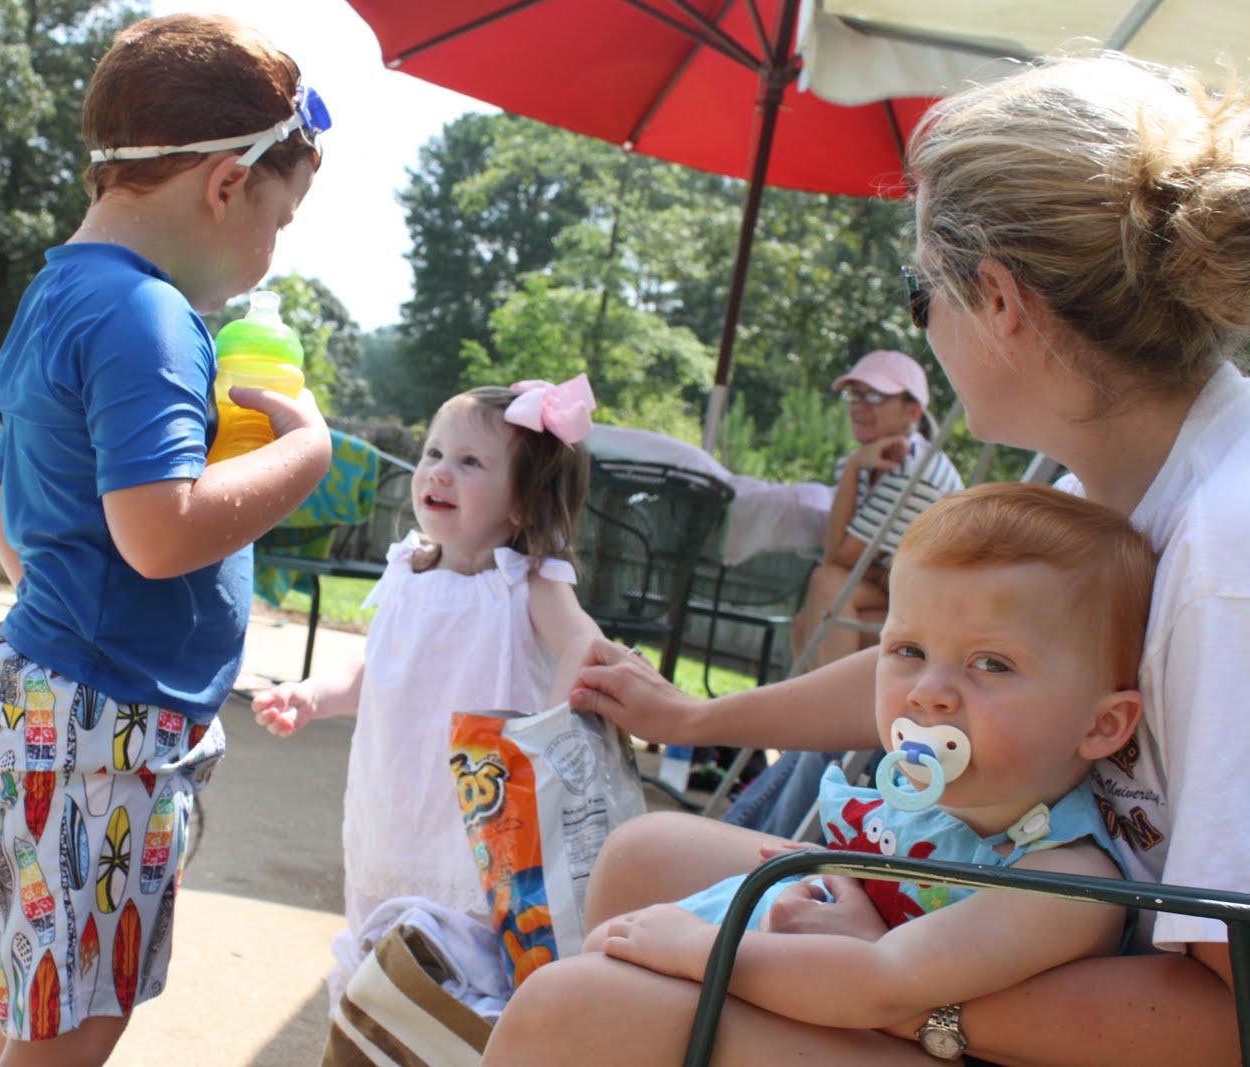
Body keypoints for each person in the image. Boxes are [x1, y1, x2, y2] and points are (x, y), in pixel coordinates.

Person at [484, 52, 1250, 1065]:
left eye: (915, 288)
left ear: (998, 301)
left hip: (1102, 1010)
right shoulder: (1108, 489)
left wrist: (888, 991)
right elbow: (937, 672)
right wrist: (695, 717)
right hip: (1020, 936)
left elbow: (1226, 1012)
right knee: (644, 854)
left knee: (566, 1014)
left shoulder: (1223, 563)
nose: (921, 322)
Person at [0, 14, 333, 1067]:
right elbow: (161, 536)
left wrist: (60, 616)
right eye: (283, 214)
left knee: (46, 985)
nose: (274, 249)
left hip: (52, 691)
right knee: (82, 1012)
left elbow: (4, 496)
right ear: (226, 185)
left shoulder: (57, 294)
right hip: (103, 719)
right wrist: (308, 453)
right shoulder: (149, 316)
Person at [577, 483, 1153, 1044]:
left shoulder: (1067, 884)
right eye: (909, 651)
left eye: (992, 663)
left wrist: (697, 948)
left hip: (824, 1011)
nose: (929, 692)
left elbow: (884, 982)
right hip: (779, 987)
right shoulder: (938, 808)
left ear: (1101, 726)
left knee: (584, 1001)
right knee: (599, 951)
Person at [252, 376, 605, 1013]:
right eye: (433, 454)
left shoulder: (526, 583)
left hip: (476, 819)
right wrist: (313, 695)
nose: (439, 472)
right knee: (379, 937)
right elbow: (375, 670)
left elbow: (584, 646)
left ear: (522, 504)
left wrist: (542, 742)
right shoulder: (405, 569)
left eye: (470, 462)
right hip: (393, 804)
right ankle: (375, 1033)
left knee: (459, 964)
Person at [791, 348, 964, 673]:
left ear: (912, 411)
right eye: (855, 395)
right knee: (807, 621)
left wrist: (854, 466)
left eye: (875, 396)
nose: (859, 405)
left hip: (942, 618)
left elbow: (838, 558)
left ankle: (823, 714)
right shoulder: (876, 461)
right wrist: (855, 467)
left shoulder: (915, 471)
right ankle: (814, 715)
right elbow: (853, 561)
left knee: (827, 585)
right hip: (901, 596)